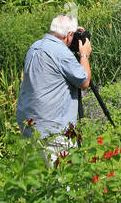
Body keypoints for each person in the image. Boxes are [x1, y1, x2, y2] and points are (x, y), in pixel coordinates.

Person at [16, 13, 92, 159]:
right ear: (69, 35)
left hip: (29, 127)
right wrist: (84, 55)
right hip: (53, 131)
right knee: (64, 179)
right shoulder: (61, 52)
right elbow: (84, 81)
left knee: (40, 179)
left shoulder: (34, 47)